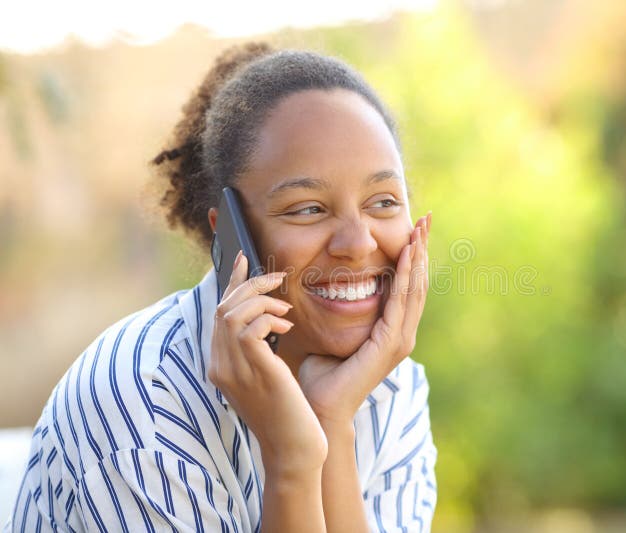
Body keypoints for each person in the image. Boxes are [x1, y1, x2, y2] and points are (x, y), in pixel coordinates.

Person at [5, 42, 437, 532]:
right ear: (230, 232)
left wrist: (332, 424)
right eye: (308, 208)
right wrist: (294, 462)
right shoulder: (143, 408)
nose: (359, 244)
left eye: (383, 202)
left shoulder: (392, 390)